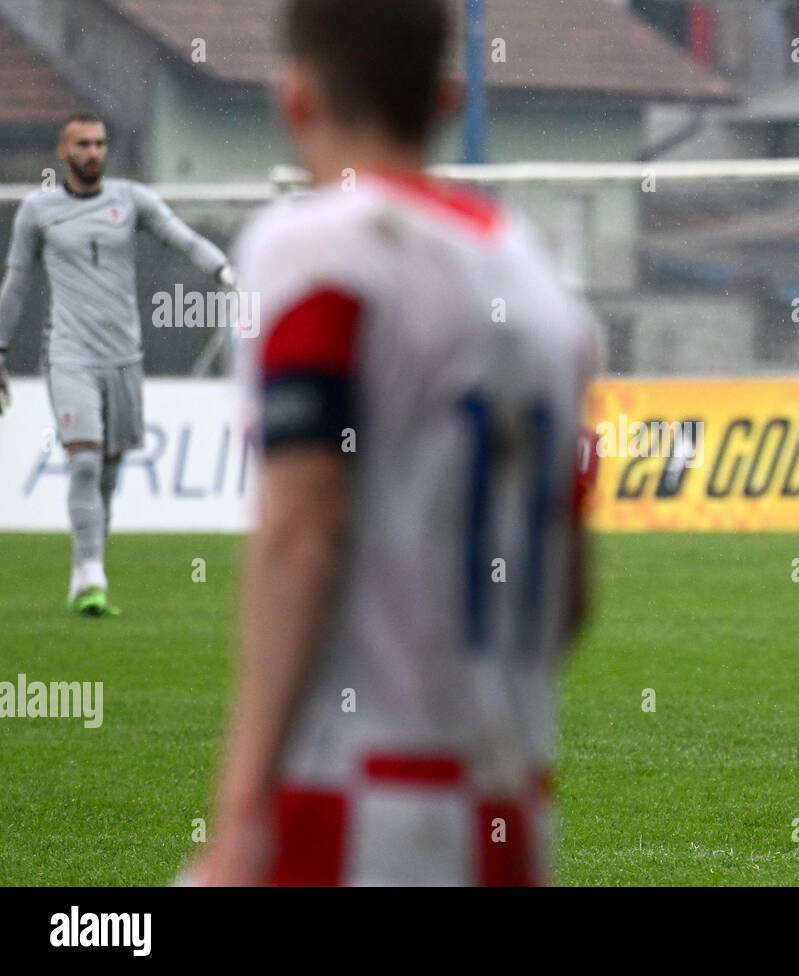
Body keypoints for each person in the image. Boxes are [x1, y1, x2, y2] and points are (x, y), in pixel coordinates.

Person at [193, 0, 597, 885]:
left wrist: (237, 820)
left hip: (349, 805)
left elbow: (305, 534)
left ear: (295, 98)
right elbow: (570, 597)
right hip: (509, 818)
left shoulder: (318, 251)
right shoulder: (546, 291)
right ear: (449, 98)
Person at [0, 112, 233, 615]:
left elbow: (179, 235)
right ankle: (91, 577)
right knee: (83, 459)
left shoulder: (130, 200)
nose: (93, 153)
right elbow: (16, 286)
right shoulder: (38, 212)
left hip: (124, 358)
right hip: (69, 355)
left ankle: (86, 572)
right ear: (63, 152)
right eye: (83, 144)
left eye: (101, 144)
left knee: (107, 474)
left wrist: (222, 268)